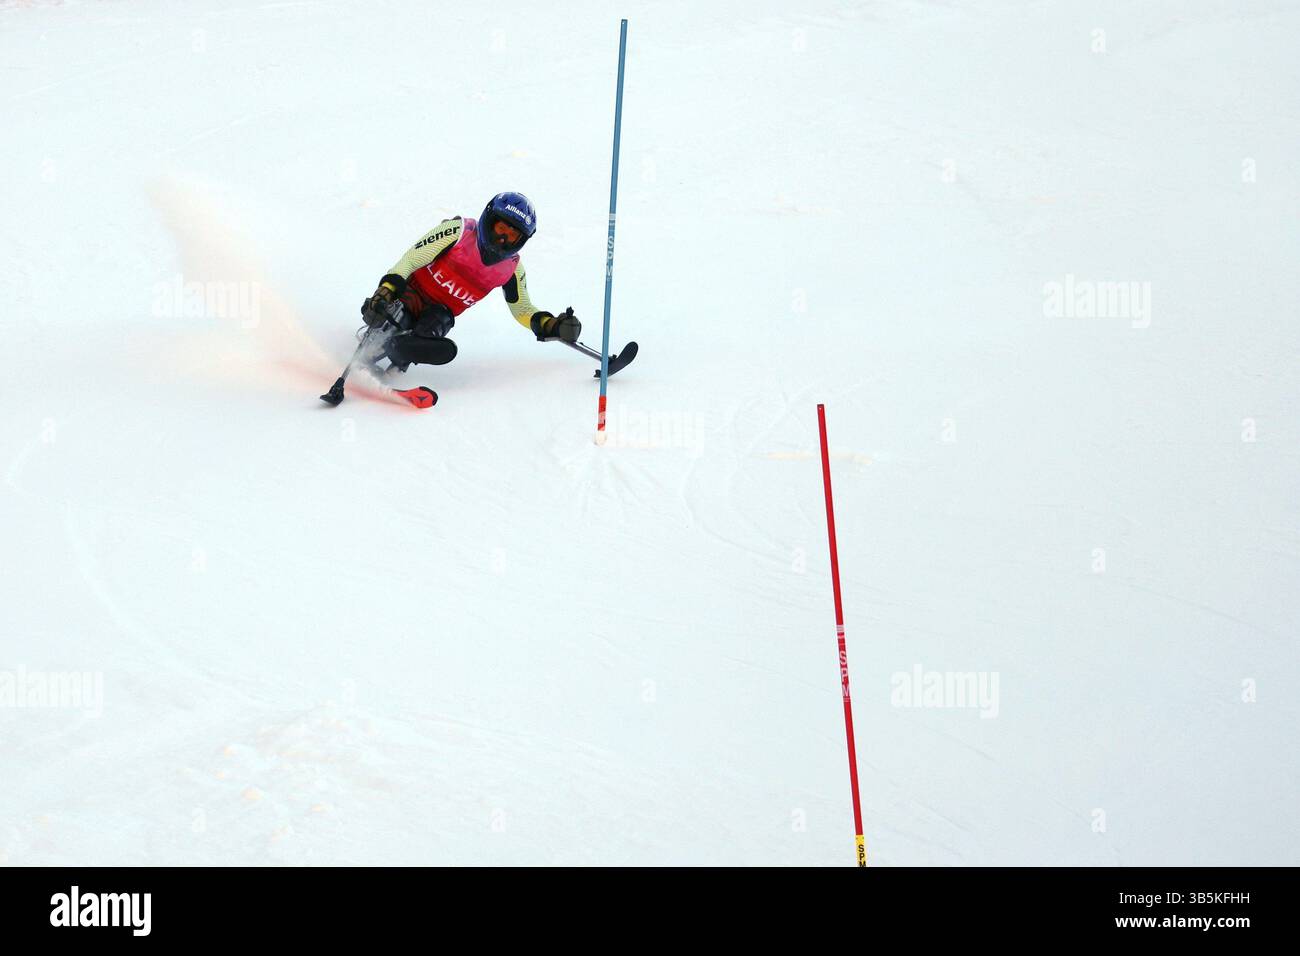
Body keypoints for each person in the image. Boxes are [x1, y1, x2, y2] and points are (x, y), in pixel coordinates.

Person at [358, 191, 580, 373]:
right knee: (403, 316)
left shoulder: (511, 269)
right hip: (411, 294)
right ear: (488, 219)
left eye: (511, 236)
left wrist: (551, 325)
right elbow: (409, 262)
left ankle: (400, 360)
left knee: (439, 320)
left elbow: (522, 309)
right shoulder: (459, 232)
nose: (502, 239)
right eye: (500, 229)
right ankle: (373, 347)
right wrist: (385, 292)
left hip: (438, 313)